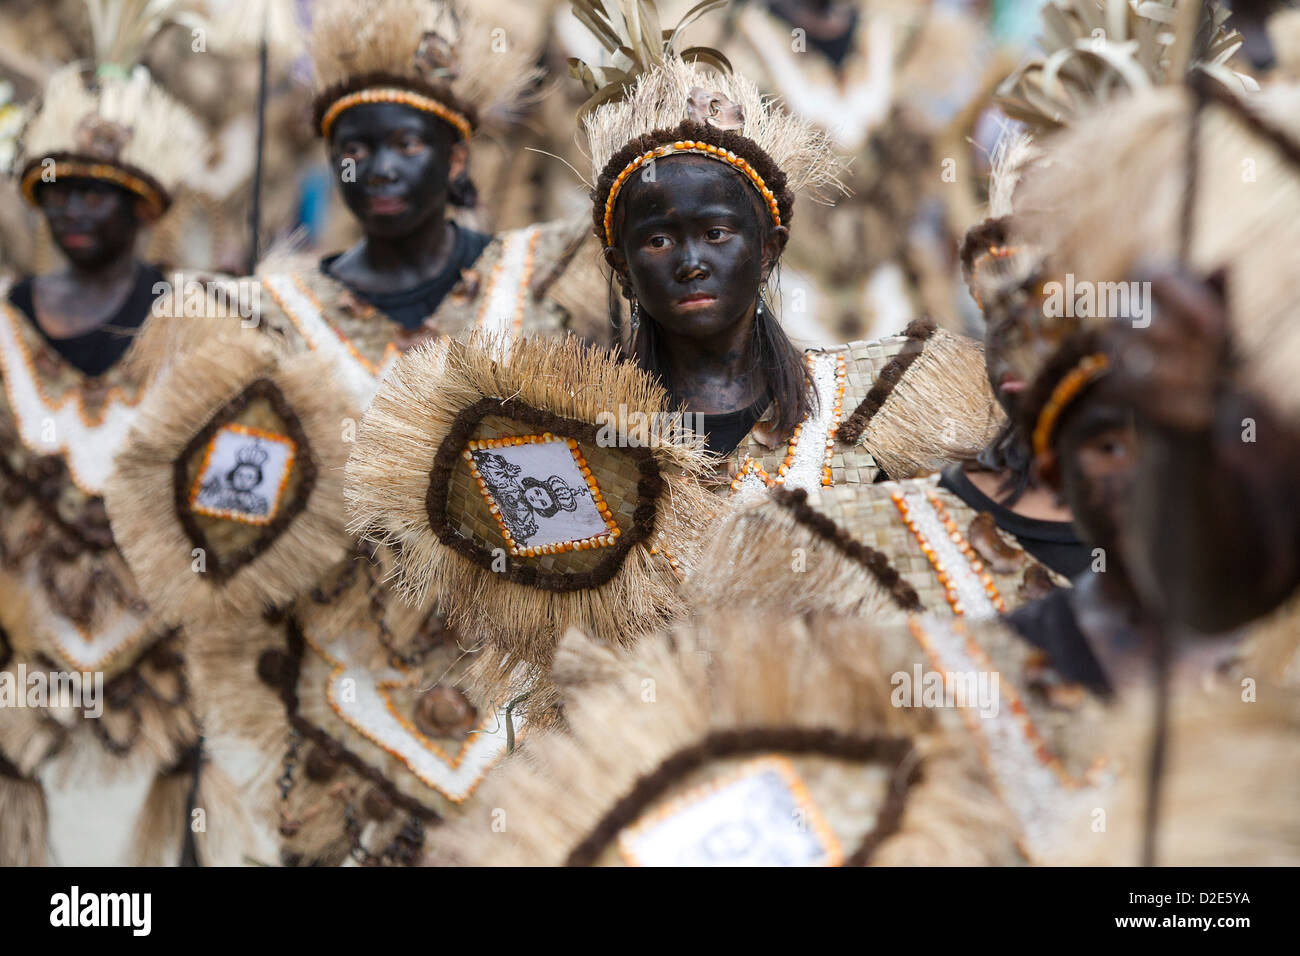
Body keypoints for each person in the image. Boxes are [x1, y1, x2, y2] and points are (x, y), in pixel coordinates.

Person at [0, 6, 209, 865]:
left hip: (168, 699)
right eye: (58, 189)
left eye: (98, 190)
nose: (74, 209)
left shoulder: (205, 324)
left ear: (145, 201)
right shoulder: (3, 327)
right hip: (20, 699)